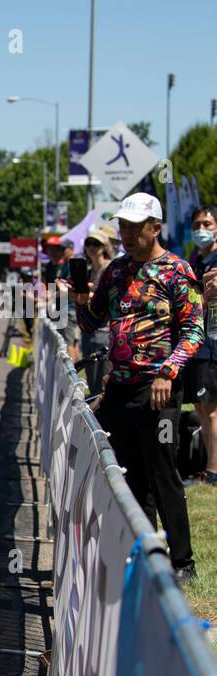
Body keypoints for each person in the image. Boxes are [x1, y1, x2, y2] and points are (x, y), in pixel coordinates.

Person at [74, 192, 204, 583]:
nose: (127, 234)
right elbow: (91, 322)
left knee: (163, 472)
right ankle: (147, 554)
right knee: (130, 476)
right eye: (123, 227)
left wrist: (169, 372)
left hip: (159, 389)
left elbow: (195, 328)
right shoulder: (115, 272)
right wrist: (80, 297)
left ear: (155, 228)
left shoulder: (177, 271)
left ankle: (182, 561)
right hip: (119, 389)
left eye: (135, 227)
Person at [182, 207, 217, 484]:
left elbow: (206, 300)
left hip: (213, 345)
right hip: (198, 343)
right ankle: (207, 466)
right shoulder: (198, 260)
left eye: (207, 223)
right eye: (197, 224)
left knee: (212, 410)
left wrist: (201, 300)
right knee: (201, 408)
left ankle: (213, 472)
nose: (201, 228)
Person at [78, 227, 116, 397]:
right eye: (89, 243)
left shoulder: (111, 269)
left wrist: (92, 296)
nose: (92, 247)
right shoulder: (86, 271)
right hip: (88, 330)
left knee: (102, 382)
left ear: (104, 247)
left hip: (106, 331)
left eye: (96, 243)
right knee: (92, 381)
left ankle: (101, 420)